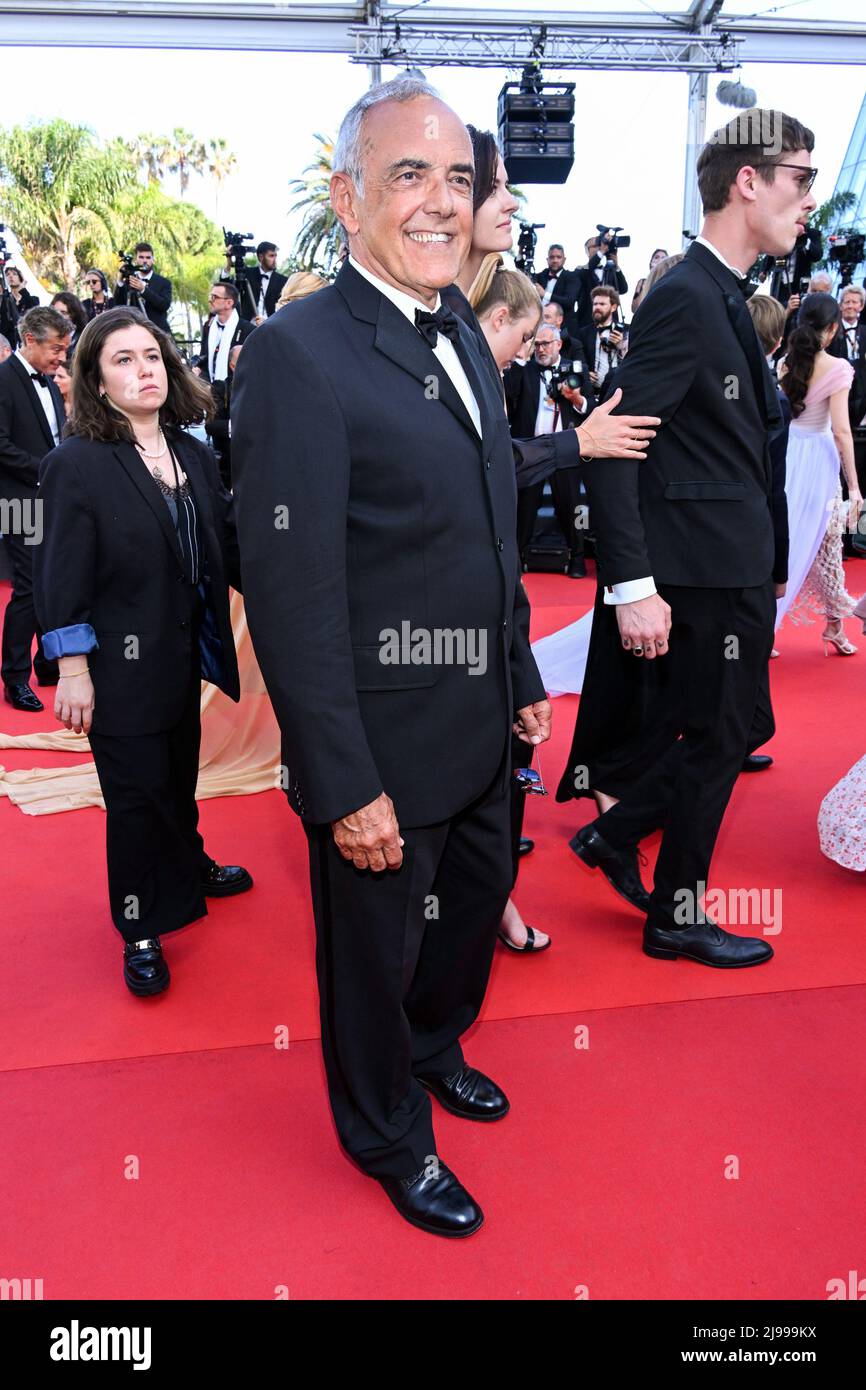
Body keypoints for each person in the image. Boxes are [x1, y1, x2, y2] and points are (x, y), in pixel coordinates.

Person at [231, 75, 554, 1239]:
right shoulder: (296, 353)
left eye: (457, 179)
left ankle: (433, 1046)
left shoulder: (462, 317)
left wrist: (517, 673)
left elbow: (486, 520)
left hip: (477, 720)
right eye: (408, 175)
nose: (437, 203)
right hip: (375, 740)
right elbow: (290, 588)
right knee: (371, 957)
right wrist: (340, 777)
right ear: (347, 194)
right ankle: (383, 1128)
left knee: (467, 920)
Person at [558, 108, 818, 970]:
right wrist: (631, 586)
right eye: (799, 180)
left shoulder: (724, 296)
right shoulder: (684, 297)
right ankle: (674, 913)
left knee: (734, 731)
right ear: (749, 182)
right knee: (719, 738)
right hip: (699, 573)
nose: (809, 201)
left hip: (733, 566)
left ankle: (618, 839)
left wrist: (772, 565)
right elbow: (615, 442)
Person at [33, 308, 252, 997]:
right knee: (134, 801)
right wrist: (72, 669)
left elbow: (224, 547)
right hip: (114, 668)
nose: (143, 370)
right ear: (96, 382)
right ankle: (141, 928)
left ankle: (188, 862)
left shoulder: (191, 451)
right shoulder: (75, 464)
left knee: (176, 775)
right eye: (122, 360)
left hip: (183, 653)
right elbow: (60, 574)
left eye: (152, 356)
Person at [775, 292, 860, 652]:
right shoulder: (839, 368)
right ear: (832, 330)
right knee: (827, 541)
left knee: (782, 539)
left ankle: (765, 627)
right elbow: (841, 431)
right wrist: (854, 486)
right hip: (820, 462)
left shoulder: (785, 362)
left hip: (786, 454)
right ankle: (834, 627)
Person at [0, 305, 70, 711]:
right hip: (15, 499)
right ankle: (14, 677)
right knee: (27, 587)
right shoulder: (4, 380)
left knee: (52, 581)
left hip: (50, 496)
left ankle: (47, 662)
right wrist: (47, 469)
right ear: (30, 340)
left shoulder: (48, 382)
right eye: (56, 348)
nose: (61, 358)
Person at [506, 322, 594, 578]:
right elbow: (508, 394)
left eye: (546, 343)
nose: (541, 348)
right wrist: (521, 361)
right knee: (524, 509)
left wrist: (575, 398)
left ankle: (577, 559)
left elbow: (590, 408)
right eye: (537, 344)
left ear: (559, 344)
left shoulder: (575, 370)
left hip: (565, 448)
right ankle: (515, 561)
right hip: (531, 450)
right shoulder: (525, 369)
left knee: (572, 508)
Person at [194, 283, 256, 383]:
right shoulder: (208, 326)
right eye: (210, 296)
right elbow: (204, 356)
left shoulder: (247, 329)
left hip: (234, 390)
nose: (210, 300)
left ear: (229, 303)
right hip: (210, 390)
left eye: (215, 297)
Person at [222, 240, 287, 324]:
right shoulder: (247, 274)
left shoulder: (283, 280)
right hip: (248, 326)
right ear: (261, 257)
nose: (274, 259)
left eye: (275, 256)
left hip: (272, 326)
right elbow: (226, 287)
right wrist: (228, 262)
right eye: (271, 256)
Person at [114, 243, 173, 334]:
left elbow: (164, 305)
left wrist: (143, 290)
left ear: (153, 260)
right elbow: (118, 306)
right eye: (141, 257)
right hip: (133, 332)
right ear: (136, 259)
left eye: (148, 257)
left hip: (158, 332)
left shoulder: (164, 282)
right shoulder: (129, 281)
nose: (145, 261)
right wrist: (120, 282)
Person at [533, 244, 581, 338]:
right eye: (552, 257)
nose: (555, 260)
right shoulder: (542, 275)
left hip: (564, 331)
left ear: (564, 259)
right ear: (547, 260)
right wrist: (520, 252)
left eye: (558, 257)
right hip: (539, 328)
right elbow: (523, 273)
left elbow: (569, 301)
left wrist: (544, 294)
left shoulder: (572, 277)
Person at [631, 248, 669, 315]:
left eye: (663, 258)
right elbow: (634, 308)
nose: (660, 260)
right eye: (656, 257)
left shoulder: (670, 282)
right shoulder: (643, 282)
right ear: (651, 262)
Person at [50, 291, 88, 356]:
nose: (57, 316)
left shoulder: (83, 340)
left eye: (63, 313)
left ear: (74, 315)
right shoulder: (45, 333)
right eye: (54, 311)